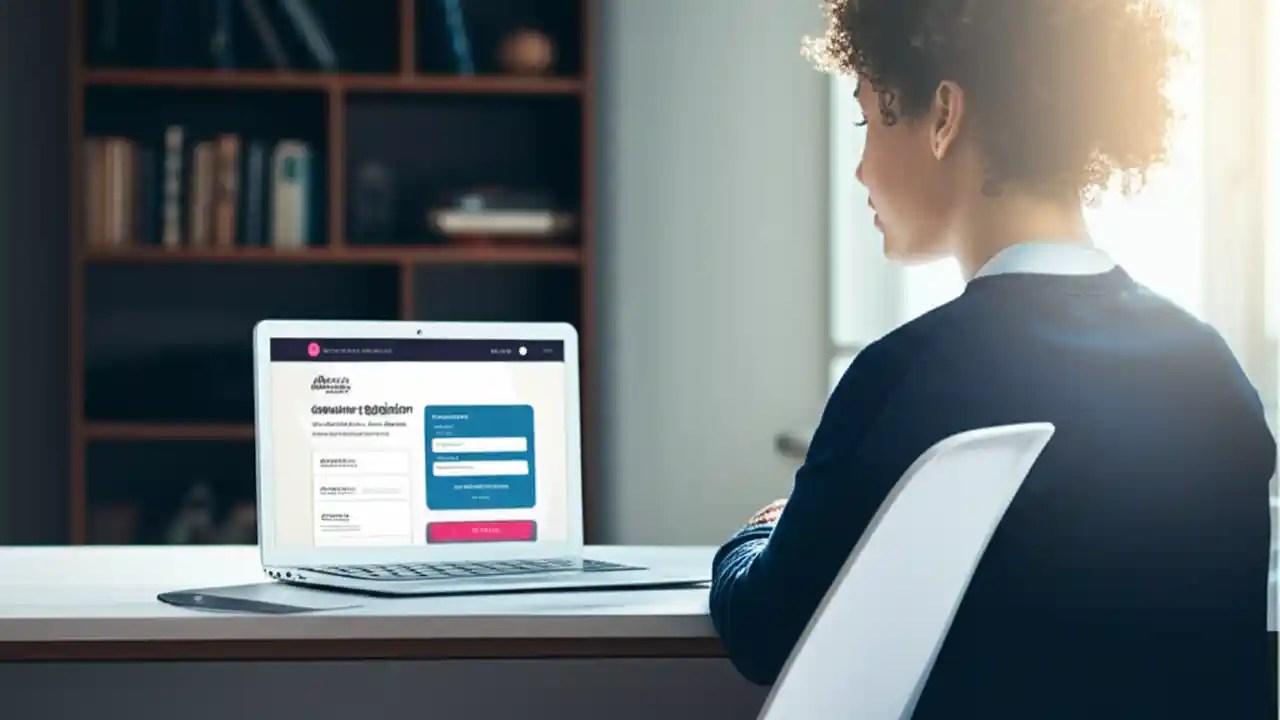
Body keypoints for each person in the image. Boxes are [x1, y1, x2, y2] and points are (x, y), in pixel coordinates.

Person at [709, 0, 1278, 717]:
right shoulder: (1213, 375)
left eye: (868, 119)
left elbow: (761, 630)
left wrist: (758, 533)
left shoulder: (903, 375)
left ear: (944, 115)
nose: (858, 170)